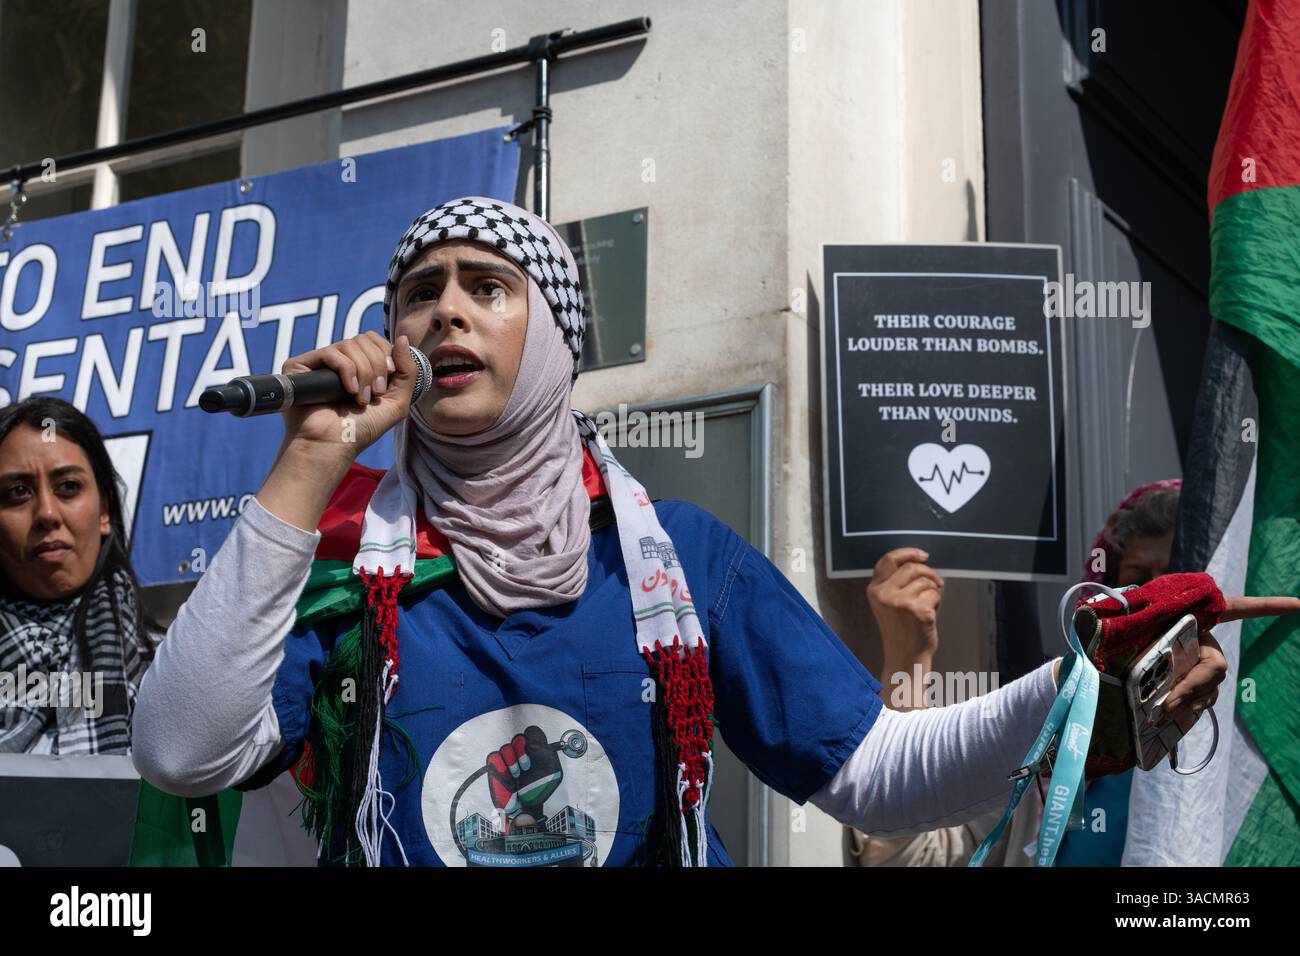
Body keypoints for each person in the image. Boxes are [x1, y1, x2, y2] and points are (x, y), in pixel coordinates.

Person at [130, 197, 1272, 867]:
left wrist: (1082, 691)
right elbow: (182, 752)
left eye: (489, 284)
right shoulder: (339, 567)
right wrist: (308, 455)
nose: (446, 309)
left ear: (557, 348)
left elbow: (877, 772)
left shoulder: (675, 558)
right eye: (420, 291)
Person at [844, 480, 1192, 866]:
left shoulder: (1252, 754)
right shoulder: (1056, 731)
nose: (1158, 607)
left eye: (1183, 585)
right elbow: (914, 858)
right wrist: (908, 653)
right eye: (1138, 582)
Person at [0, 397, 162, 754]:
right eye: (17, 492)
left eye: (68, 486)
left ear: (104, 510)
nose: (46, 513)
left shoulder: (171, 667)